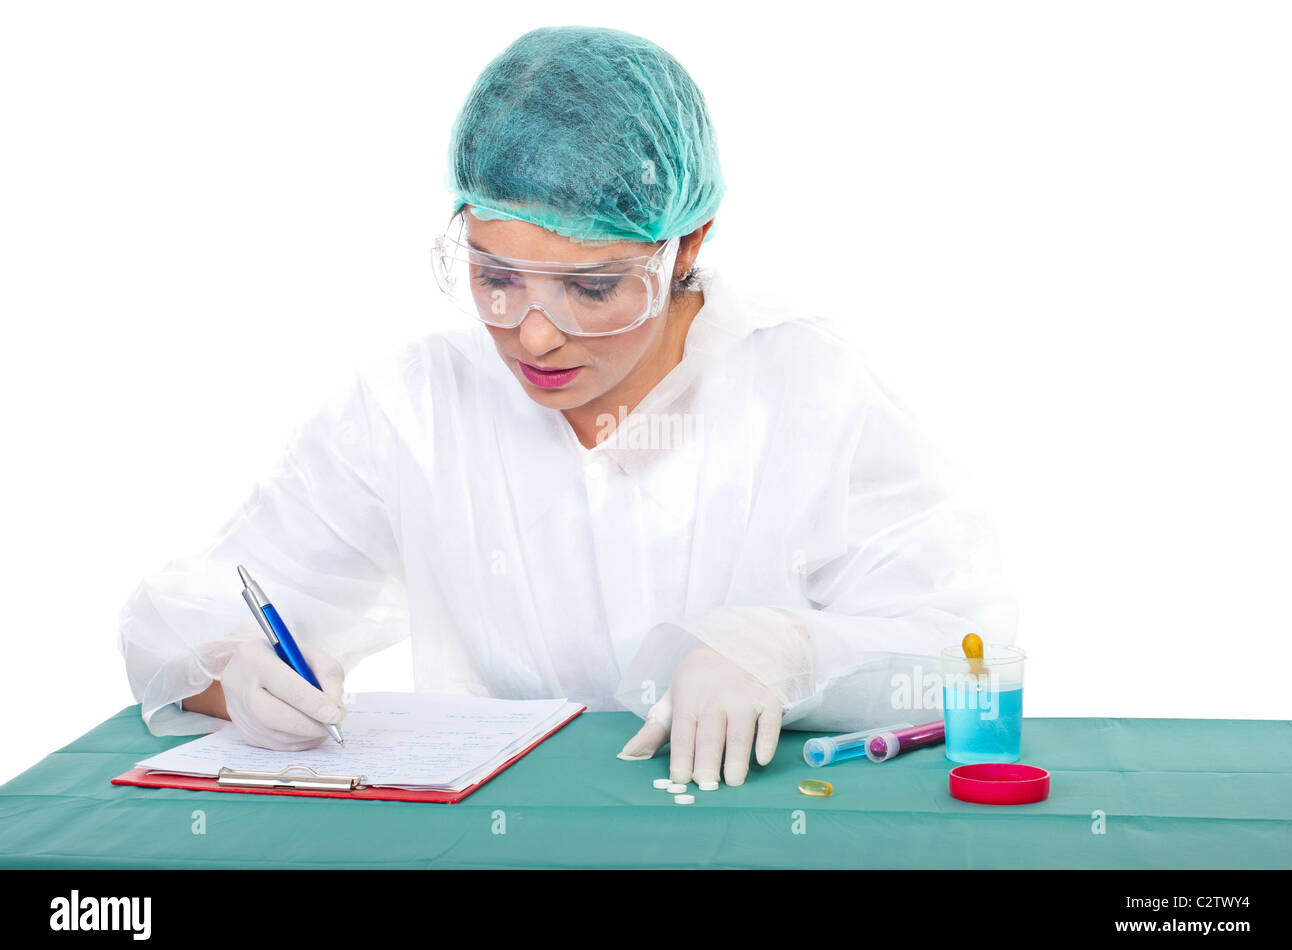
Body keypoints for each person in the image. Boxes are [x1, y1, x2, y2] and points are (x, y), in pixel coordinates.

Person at [118, 25, 1015, 788]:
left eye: (592, 289)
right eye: (496, 277)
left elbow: (964, 651)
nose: (534, 336)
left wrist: (786, 652)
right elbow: (186, 620)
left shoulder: (808, 389)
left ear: (689, 241)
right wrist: (231, 670)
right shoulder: (415, 407)